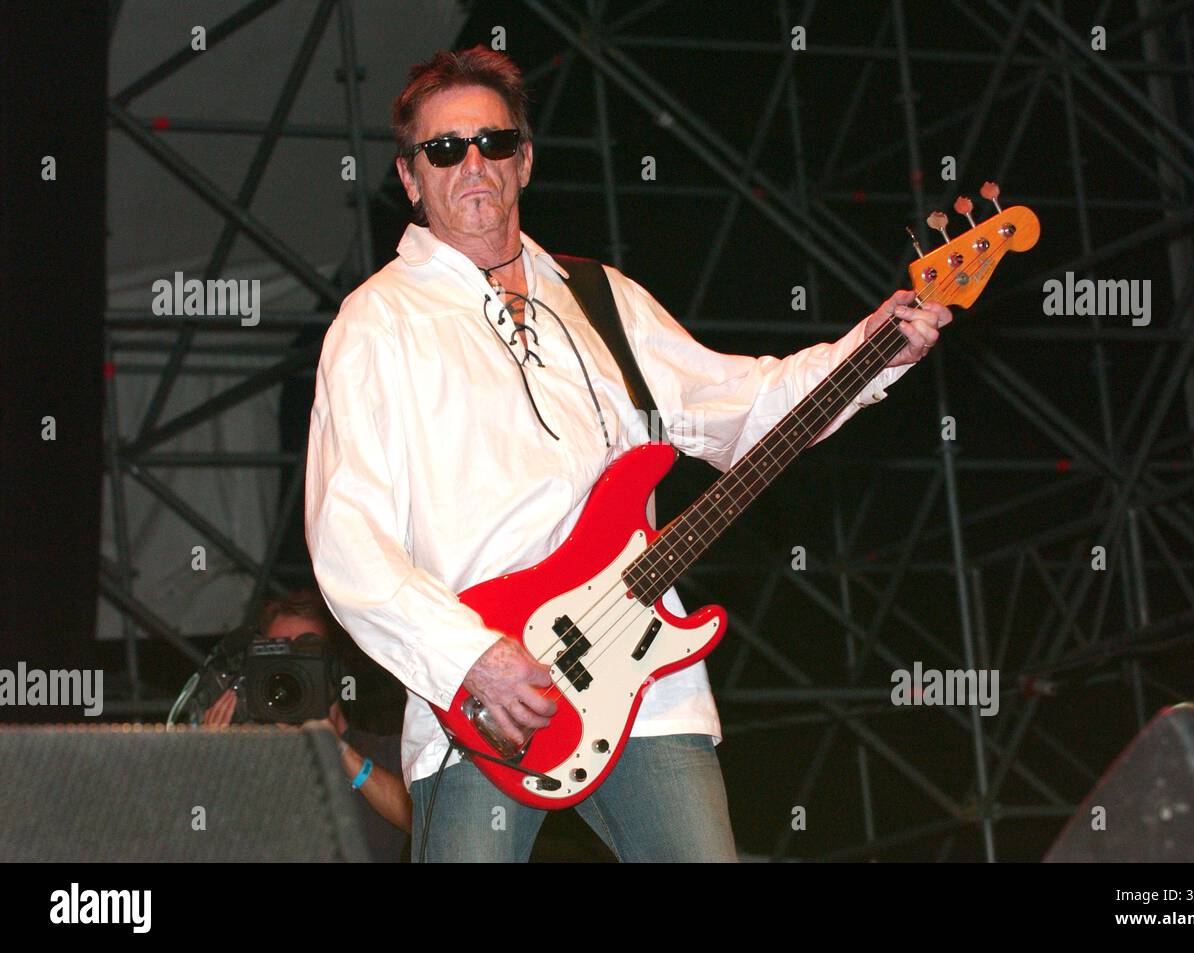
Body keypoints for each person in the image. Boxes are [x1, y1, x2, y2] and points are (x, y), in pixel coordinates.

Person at [304, 46, 950, 863]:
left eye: (495, 143)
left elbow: (740, 408)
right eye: (445, 148)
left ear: (525, 159)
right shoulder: (375, 324)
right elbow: (346, 543)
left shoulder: (600, 295)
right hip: (481, 702)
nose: (473, 164)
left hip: (648, 689)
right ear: (409, 177)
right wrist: (473, 658)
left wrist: (870, 351)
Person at [201, 589, 411, 861]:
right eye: (276, 653)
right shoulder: (252, 762)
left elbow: (417, 818)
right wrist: (208, 767)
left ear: (335, 667)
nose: (288, 668)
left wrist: (338, 749)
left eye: (303, 650)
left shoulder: (386, 751)